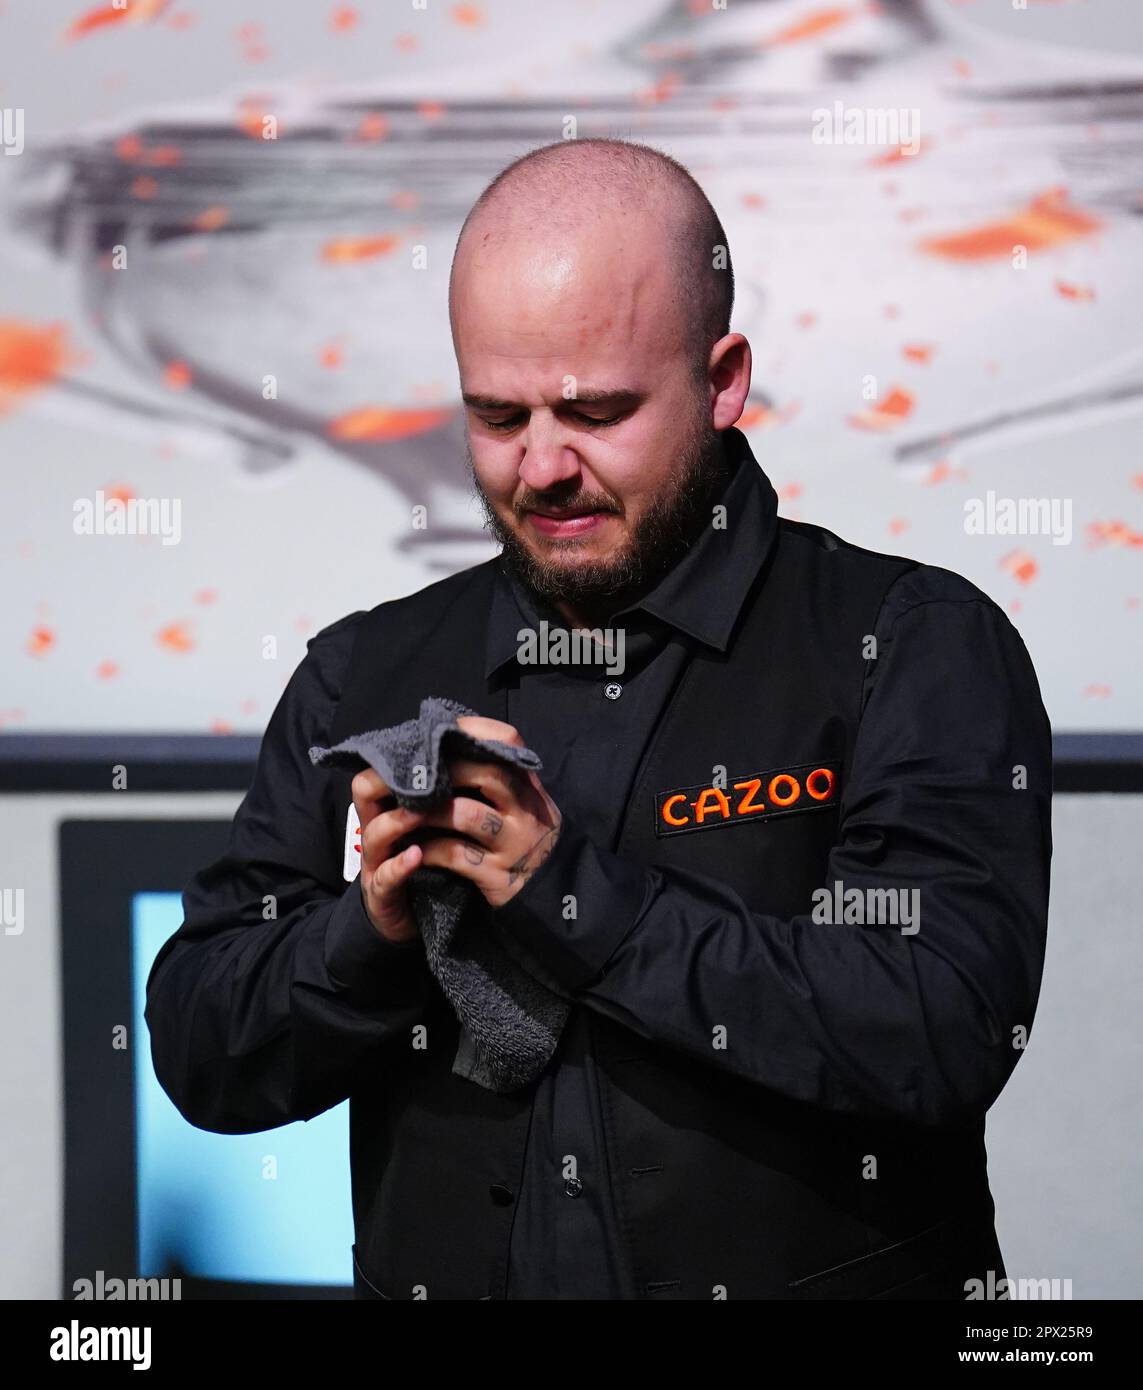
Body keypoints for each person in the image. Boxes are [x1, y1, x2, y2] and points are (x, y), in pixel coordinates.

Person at [145, 138, 1052, 1300]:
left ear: (723, 380)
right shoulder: (362, 671)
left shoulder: (910, 643)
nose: (540, 466)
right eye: (495, 414)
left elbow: (943, 1026)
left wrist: (569, 897)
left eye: (595, 410)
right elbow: (202, 1053)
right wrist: (365, 931)